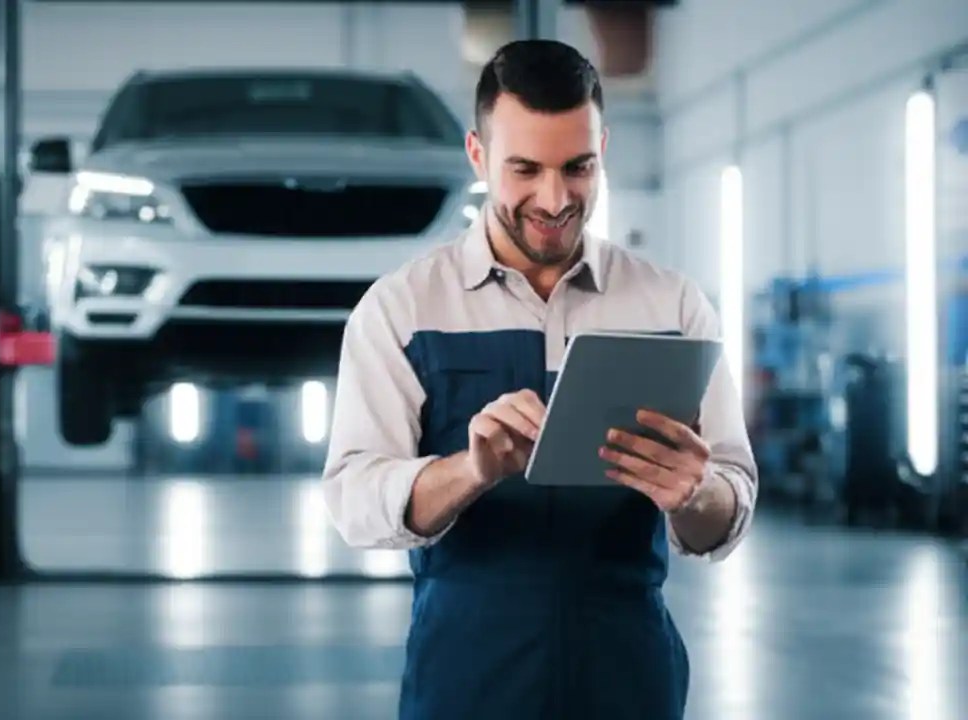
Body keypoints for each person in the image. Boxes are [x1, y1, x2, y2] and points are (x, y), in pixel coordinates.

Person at [321, 39, 757, 719]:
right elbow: (353, 500)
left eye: (577, 167)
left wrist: (696, 495)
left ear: (603, 148)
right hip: (468, 681)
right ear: (477, 156)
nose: (554, 199)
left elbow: (731, 500)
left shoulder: (673, 306)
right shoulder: (403, 309)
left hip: (630, 677)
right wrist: (469, 470)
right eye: (524, 169)